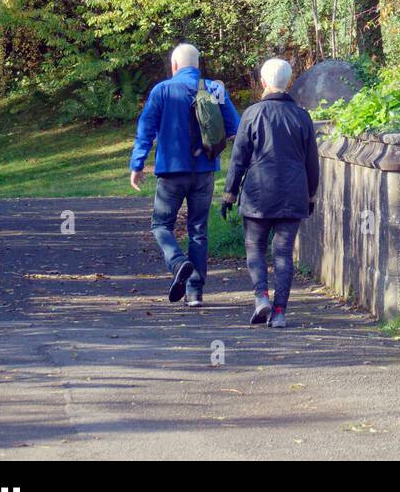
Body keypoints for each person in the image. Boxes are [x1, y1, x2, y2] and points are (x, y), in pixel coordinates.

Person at [129, 43, 240, 306]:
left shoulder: (162, 90)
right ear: (198, 65)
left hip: (171, 171)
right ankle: (195, 293)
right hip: (204, 171)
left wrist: (137, 164)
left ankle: (178, 262)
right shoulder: (214, 88)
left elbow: (146, 129)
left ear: (174, 66)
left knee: (161, 225)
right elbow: (234, 128)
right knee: (198, 229)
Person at [220, 58, 320, 328]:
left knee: (255, 246)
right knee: (283, 253)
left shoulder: (252, 114)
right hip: (293, 192)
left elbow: (238, 158)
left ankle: (261, 296)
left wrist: (229, 193)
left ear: (263, 82)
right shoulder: (302, 116)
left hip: (257, 193)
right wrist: (311, 194)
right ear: (288, 81)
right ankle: (279, 312)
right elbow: (312, 160)